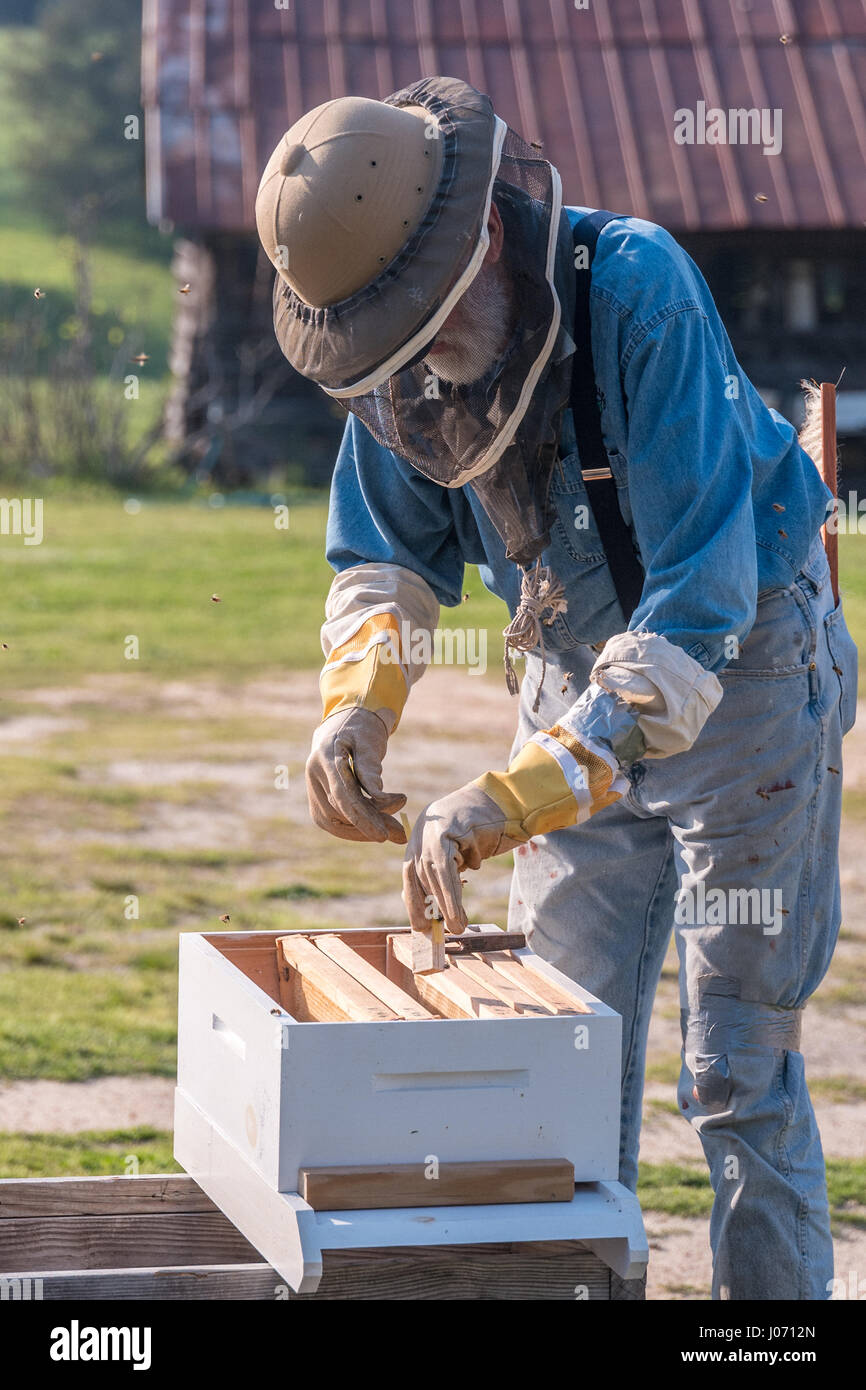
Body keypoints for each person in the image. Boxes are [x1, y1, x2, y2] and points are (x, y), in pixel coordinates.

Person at [255, 77, 858, 1300]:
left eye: (424, 329)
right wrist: (355, 708)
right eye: (391, 351)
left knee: (735, 1068)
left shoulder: (635, 286)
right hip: (569, 671)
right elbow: (381, 554)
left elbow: (696, 602)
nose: (415, 374)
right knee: (548, 1063)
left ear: (478, 234)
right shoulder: (391, 351)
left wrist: (520, 790)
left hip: (740, 678)